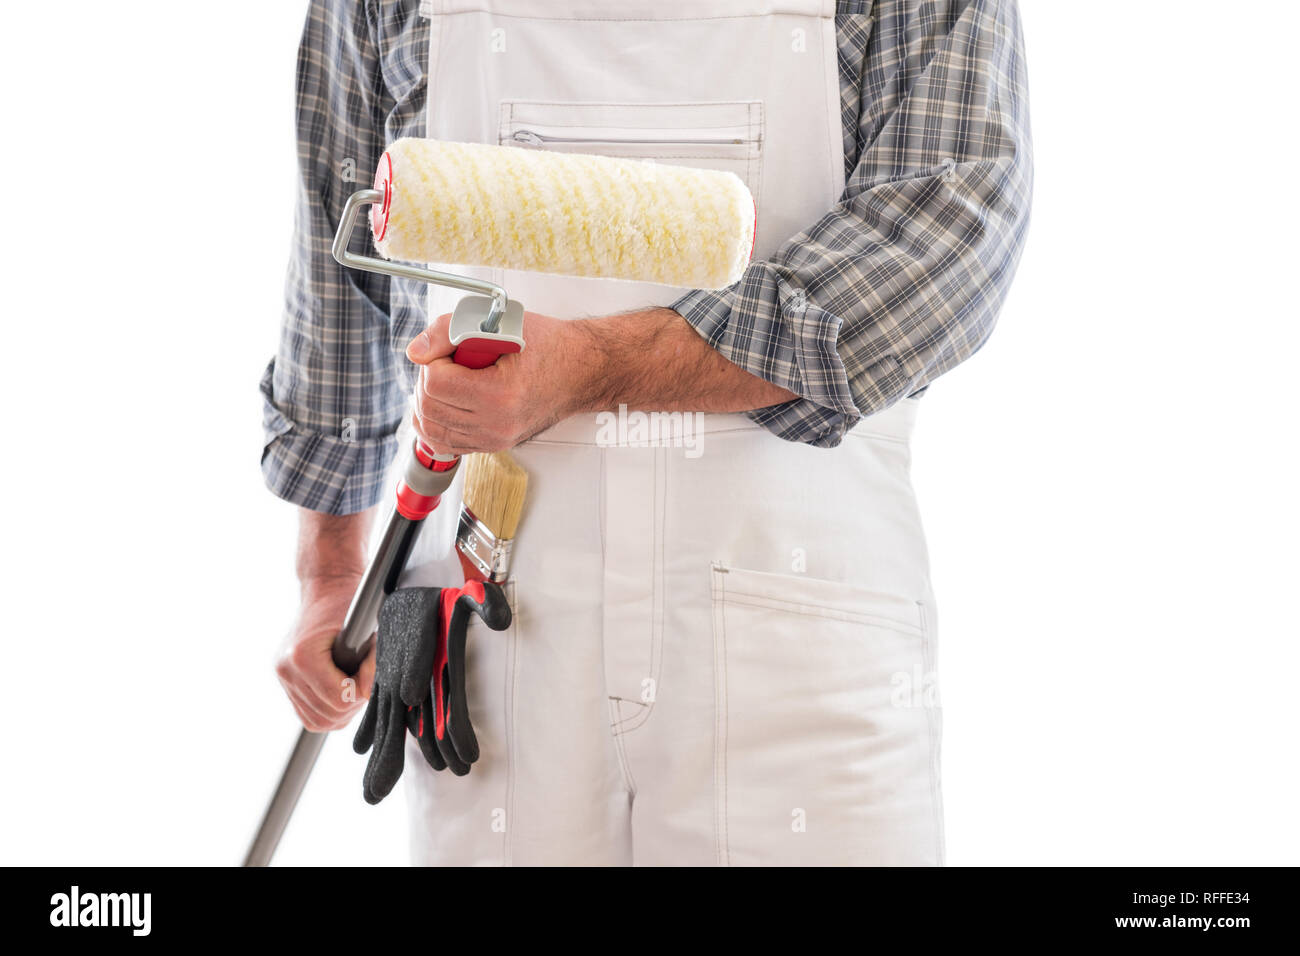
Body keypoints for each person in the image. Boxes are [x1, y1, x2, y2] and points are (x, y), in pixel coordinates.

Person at [262, 0, 1032, 865]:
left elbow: (944, 239)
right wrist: (328, 575)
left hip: (796, 635)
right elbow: (339, 258)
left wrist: (589, 368)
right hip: (491, 636)